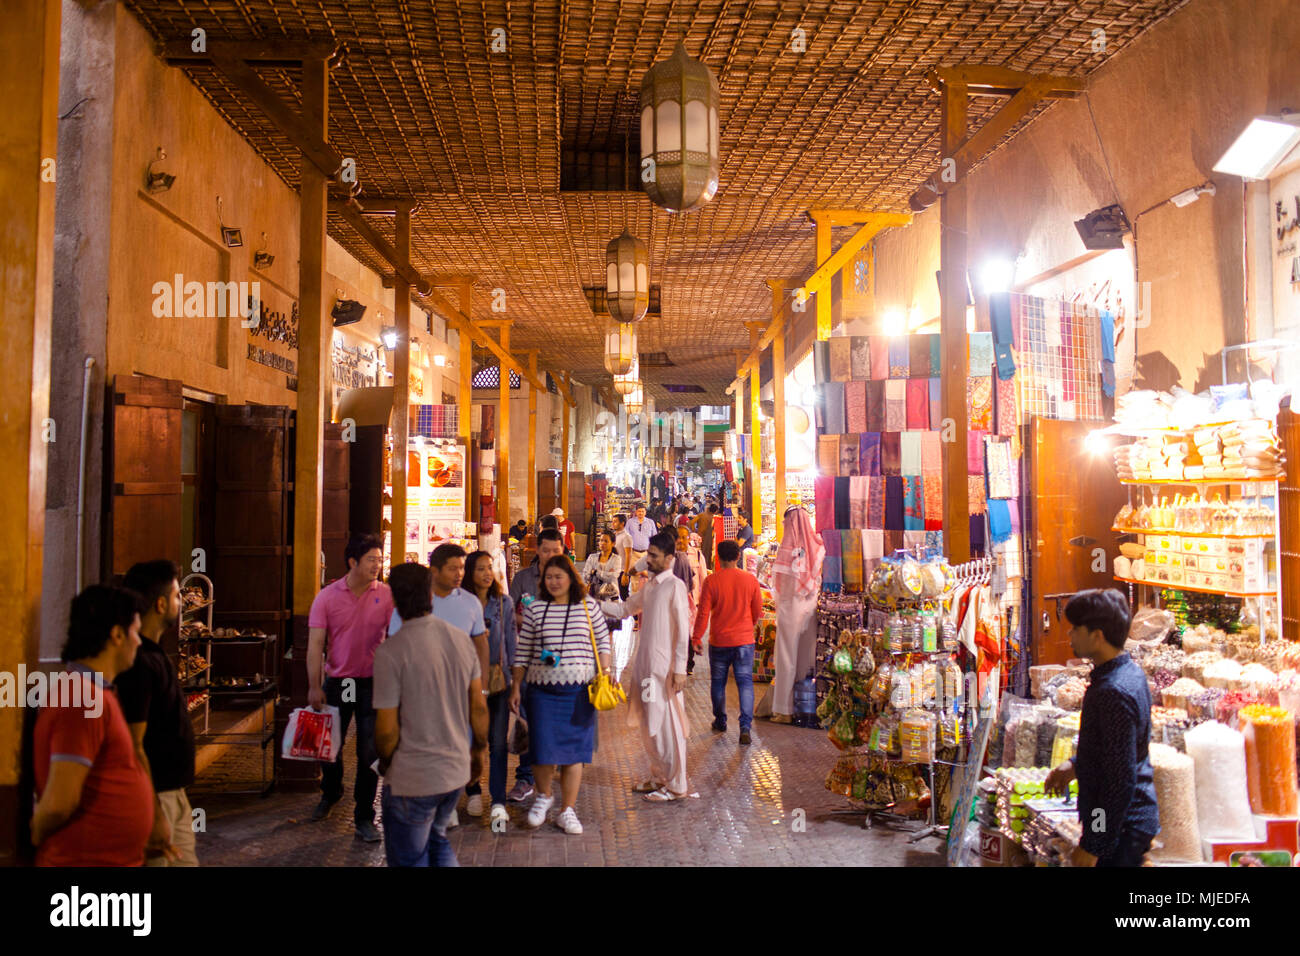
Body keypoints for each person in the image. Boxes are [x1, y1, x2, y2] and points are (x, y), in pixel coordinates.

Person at [31, 585, 160, 866]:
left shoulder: (93, 692)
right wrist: (32, 841)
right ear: (116, 634)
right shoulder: (82, 698)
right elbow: (59, 803)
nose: (139, 642)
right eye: (136, 631)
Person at [374, 563, 487, 867]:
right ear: (429, 594)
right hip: (454, 770)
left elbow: (386, 732)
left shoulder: (390, 653)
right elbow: (478, 706)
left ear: (394, 600)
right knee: (436, 839)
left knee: (411, 857)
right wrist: (478, 752)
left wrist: (387, 763)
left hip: (413, 777)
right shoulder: (461, 641)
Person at [1045, 589, 1160, 867]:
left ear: (1097, 635)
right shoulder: (1129, 672)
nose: (1070, 635)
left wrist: (1093, 845)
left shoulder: (1113, 691)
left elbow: (1118, 780)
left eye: (1076, 629)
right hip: (1123, 824)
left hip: (1121, 828)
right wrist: (1075, 765)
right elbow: (1114, 750)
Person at [510, 556, 612, 834]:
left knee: (573, 753)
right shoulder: (535, 610)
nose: (554, 582)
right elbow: (523, 651)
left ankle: (567, 810)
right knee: (541, 749)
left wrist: (606, 668)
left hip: (579, 692)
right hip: (541, 691)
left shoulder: (588, 606)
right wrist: (517, 686)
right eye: (549, 577)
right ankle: (544, 796)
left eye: (559, 576)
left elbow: (602, 640)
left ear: (571, 578)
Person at [306, 532, 394, 842]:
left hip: (372, 683)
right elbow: (316, 644)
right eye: (372, 559)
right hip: (339, 682)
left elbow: (396, 637)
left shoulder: (385, 595)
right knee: (328, 749)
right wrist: (314, 686)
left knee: (369, 751)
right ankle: (330, 792)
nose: (377, 565)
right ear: (353, 561)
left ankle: (364, 816)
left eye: (380, 559)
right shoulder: (327, 597)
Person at [116, 560, 198, 866]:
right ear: (161, 603)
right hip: (154, 797)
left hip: (173, 793)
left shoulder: (154, 655)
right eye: (178, 596)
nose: (181, 603)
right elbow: (133, 746)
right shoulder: (138, 664)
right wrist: (152, 812)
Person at [601, 530, 692, 801]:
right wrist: (591, 605)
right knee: (648, 724)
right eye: (648, 554)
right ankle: (659, 776)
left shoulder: (674, 586)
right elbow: (624, 610)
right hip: (645, 666)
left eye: (653, 555)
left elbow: (683, 630)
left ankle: (677, 784)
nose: (648, 559)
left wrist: (679, 669)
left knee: (667, 726)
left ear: (669, 558)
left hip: (663, 671)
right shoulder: (651, 587)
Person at [503, 528, 566, 802]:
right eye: (546, 550)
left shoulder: (569, 579)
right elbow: (508, 612)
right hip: (529, 660)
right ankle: (525, 778)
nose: (551, 555)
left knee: (555, 718)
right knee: (527, 718)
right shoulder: (522, 579)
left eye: (556, 550)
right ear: (537, 551)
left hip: (561, 663)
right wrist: (530, 624)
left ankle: (557, 760)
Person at [461, 550, 515, 825]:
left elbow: (511, 645)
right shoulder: (460, 604)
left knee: (498, 743)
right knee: (471, 740)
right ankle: (471, 790)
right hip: (466, 684)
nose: (485, 573)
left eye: (489, 568)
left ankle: (497, 800)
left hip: (497, 682)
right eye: (480, 568)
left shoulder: (503, 603)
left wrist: (515, 683)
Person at [693, 540, 763, 744]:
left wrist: (697, 637)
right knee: (745, 683)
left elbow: (703, 613)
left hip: (720, 640)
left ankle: (720, 720)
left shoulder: (711, 581)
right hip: (744, 640)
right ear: (738, 557)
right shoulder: (750, 580)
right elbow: (757, 610)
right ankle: (745, 727)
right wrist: (748, 625)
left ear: (718, 557)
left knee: (718, 682)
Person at [761, 507, 824, 723]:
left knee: (786, 658)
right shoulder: (818, 547)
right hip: (811, 608)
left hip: (790, 609)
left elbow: (781, 586)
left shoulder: (788, 549)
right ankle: (804, 707)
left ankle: (785, 710)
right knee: (806, 659)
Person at [626, 503, 656, 570]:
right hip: (633, 553)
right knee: (634, 575)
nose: (641, 513)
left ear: (645, 512)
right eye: (639, 511)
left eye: (643, 511)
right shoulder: (630, 522)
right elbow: (626, 537)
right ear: (636, 512)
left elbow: (654, 538)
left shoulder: (650, 522)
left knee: (646, 576)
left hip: (646, 554)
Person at [610, 513, 634, 595]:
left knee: (624, 595)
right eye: (612, 521)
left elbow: (628, 555)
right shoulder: (614, 536)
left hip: (622, 570)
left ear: (622, 523)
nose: (613, 524)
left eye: (615, 522)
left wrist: (626, 574)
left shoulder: (626, 537)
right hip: (613, 570)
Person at [695, 503, 718, 570]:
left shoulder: (702, 515)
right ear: (715, 511)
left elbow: (691, 523)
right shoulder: (713, 518)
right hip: (708, 539)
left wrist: (694, 530)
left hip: (701, 537)